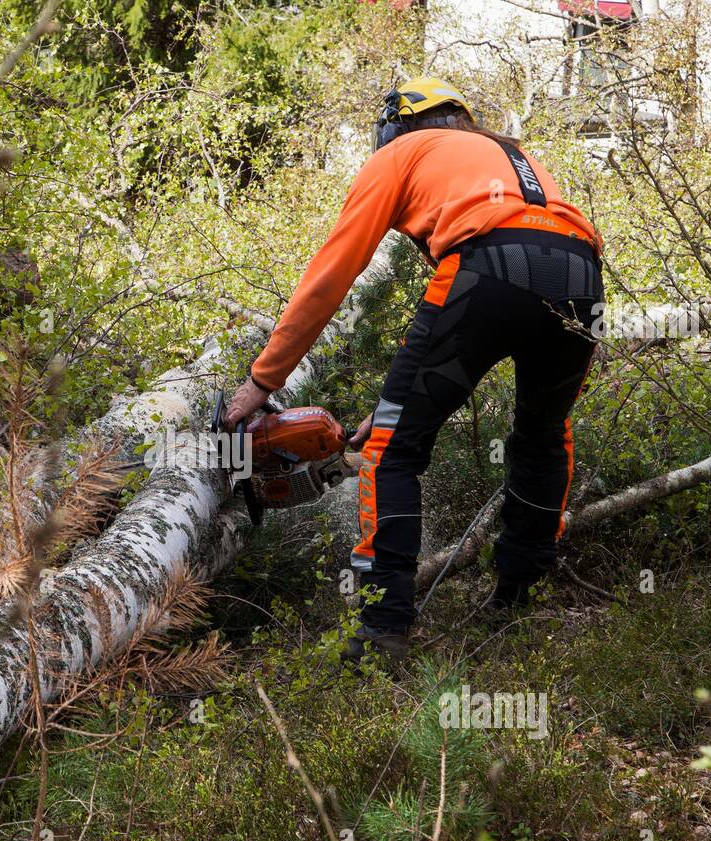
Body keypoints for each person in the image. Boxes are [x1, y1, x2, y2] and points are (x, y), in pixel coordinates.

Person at [221, 77, 605, 662]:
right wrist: (395, 400)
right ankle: (521, 599)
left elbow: (333, 271)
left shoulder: (401, 153)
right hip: (582, 273)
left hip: (488, 264)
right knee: (543, 436)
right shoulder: (510, 152)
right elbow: (462, 323)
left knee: (390, 451)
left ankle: (383, 629)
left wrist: (262, 381)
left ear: (394, 128)